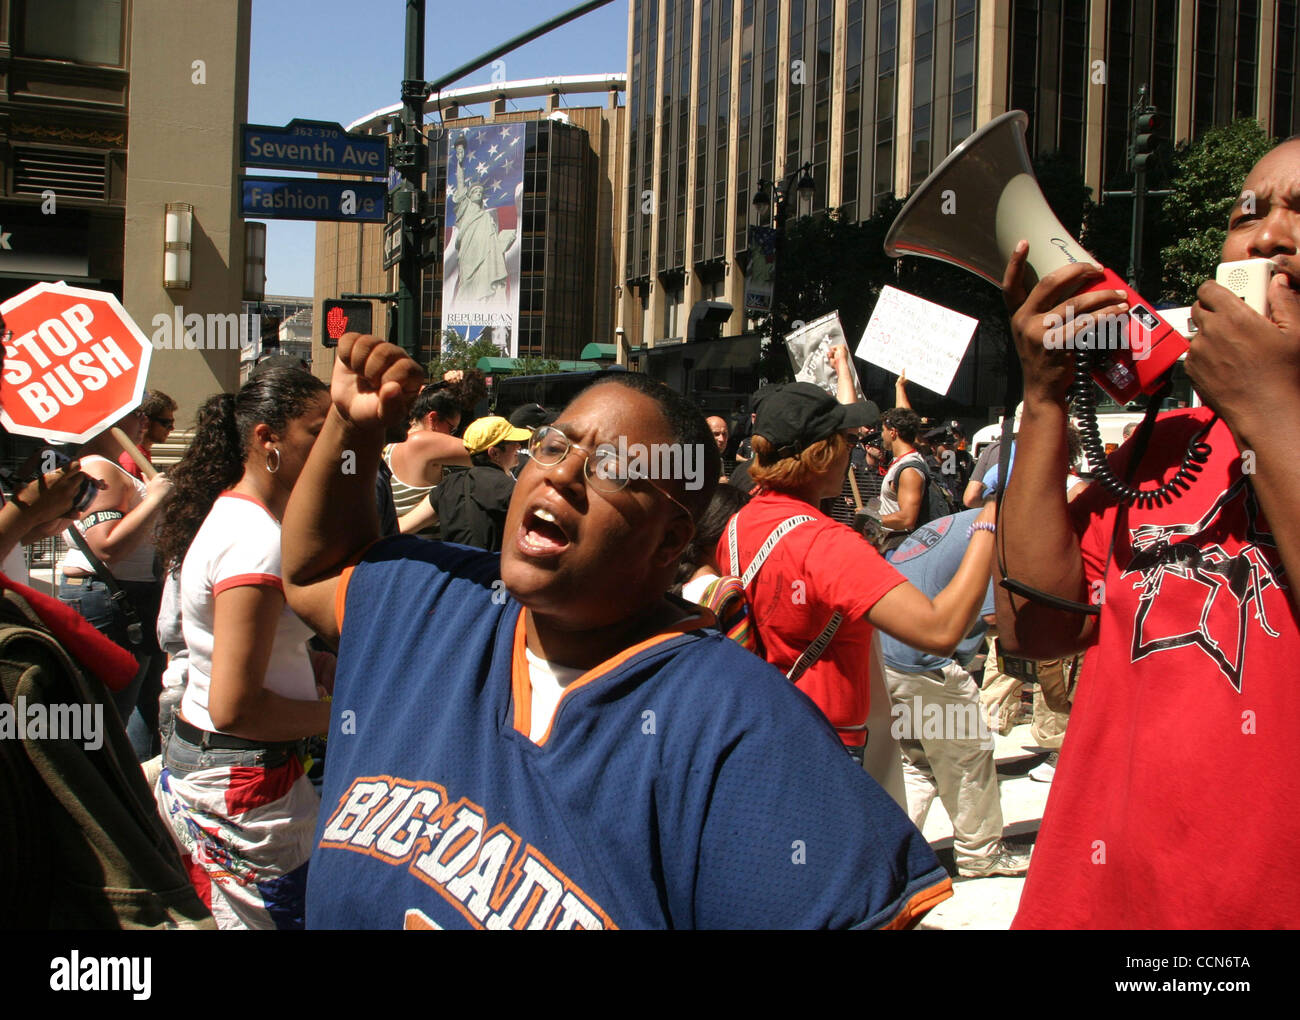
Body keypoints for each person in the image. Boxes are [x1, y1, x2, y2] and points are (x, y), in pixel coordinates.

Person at [282, 336, 954, 930]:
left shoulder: (738, 727)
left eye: (616, 470)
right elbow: (317, 573)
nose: (563, 474)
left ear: (671, 541)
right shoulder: (442, 600)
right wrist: (351, 426)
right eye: (554, 445)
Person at [995, 137, 1300, 929]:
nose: (1267, 236)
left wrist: (1268, 408)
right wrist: (1044, 398)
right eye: (1249, 214)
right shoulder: (1167, 449)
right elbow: (1034, 627)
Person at [720, 382, 997, 784]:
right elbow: (939, 631)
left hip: (767, 726)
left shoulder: (740, 520)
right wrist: (986, 522)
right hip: (825, 743)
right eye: (847, 441)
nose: (852, 453)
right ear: (822, 454)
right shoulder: (825, 543)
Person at [151, 367, 332, 930]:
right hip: (246, 779)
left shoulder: (243, 517)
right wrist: (349, 715)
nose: (331, 448)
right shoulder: (259, 541)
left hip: (219, 764)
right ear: (266, 438)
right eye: (316, 431)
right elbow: (238, 706)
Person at [878, 506, 1030, 878]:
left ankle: (883, 857)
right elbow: (994, 617)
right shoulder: (1000, 532)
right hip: (924, 662)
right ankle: (981, 854)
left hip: (885, 651)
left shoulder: (960, 521)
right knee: (966, 760)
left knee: (918, 764)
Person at [59, 408, 173, 759]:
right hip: (112, 602)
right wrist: (155, 498)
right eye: (133, 414)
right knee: (107, 719)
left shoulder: (107, 467)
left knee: (143, 709)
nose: (143, 422)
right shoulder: (99, 467)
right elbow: (105, 545)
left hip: (126, 601)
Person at [382, 380, 468, 536]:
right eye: (452, 428)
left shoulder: (392, 446)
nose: (451, 436)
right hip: (420, 550)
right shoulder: (421, 442)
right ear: (433, 419)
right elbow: (485, 451)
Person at [433, 415, 530, 552]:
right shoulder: (510, 489)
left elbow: (407, 524)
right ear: (494, 453)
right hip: (490, 570)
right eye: (512, 442)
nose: (518, 446)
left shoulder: (449, 484)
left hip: (456, 567)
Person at [449, 143, 515, 304]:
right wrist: (460, 163)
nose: (478, 194)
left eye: (480, 192)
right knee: (468, 279)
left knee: (485, 276)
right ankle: (467, 303)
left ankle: (485, 302)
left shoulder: (486, 216)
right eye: (475, 192)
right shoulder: (465, 208)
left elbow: (493, 241)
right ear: (469, 195)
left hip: (486, 252)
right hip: (469, 250)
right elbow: (460, 183)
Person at [877, 407, 928, 546]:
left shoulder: (909, 470)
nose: (881, 435)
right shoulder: (900, 462)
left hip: (899, 547)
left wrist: (871, 517)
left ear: (892, 432)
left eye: (883, 430)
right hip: (890, 544)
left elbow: (907, 519)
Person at [118, 390, 177, 481]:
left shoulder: (140, 455)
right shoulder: (132, 461)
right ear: (146, 421)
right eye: (166, 423)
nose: (172, 428)